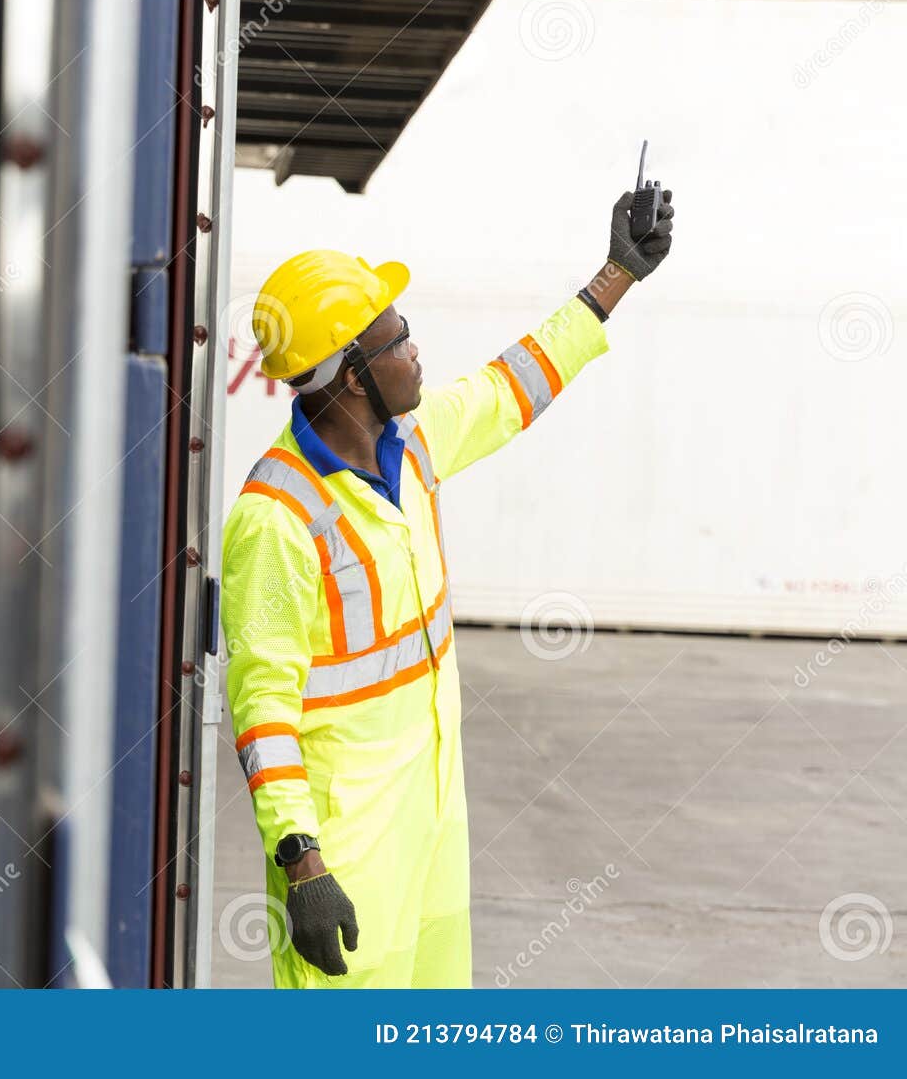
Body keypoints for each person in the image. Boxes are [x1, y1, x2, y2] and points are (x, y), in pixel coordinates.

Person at [221, 189, 675, 987]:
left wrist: (618, 274)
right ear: (352, 376)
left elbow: (513, 387)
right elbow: (263, 711)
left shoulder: (412, 446)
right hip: (347, 845)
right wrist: (303, 864)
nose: (416, 351)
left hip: (429, 816)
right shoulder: (277, 517)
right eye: (399, 339)